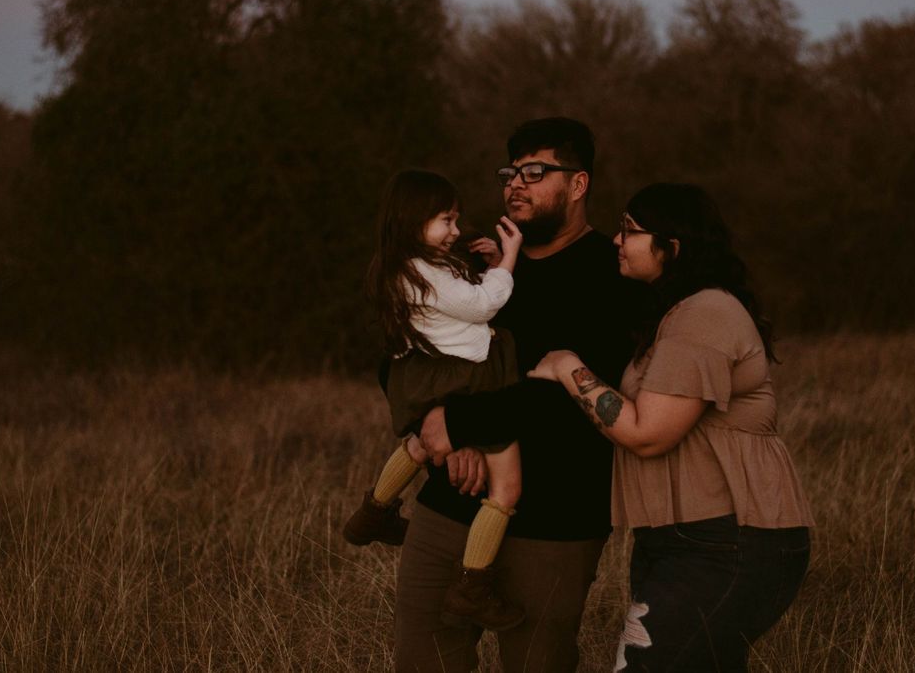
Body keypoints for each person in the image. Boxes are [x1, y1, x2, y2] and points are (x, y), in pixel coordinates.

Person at [528, 183, 814, 672]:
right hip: (690, 539)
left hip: (728, 541)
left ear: (673, 247)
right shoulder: (677, 314)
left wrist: (567, 367)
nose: (617, 240)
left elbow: (648, 432)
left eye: (630, 230)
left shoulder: (705, 314)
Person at [398, 118, 649, 672]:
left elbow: (566, 402)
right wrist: (439, 431)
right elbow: (400, 349)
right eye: (511, 171)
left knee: (537, 663)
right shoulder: (471, 265)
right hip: (449, 502)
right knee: (423, 659)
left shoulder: (610, 276)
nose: (516, 183)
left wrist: (461, 421)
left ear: (578, 184)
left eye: (536, 172)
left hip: (555, 516)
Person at [341, 168, 528, 629]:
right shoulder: (421, 272)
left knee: (422, 445)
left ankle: (375, 512)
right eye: (446, 220)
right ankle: (473, 586)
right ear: (412, 219)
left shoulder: (406, 267)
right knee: (507, 488)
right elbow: (481, 305)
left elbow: (456, 299)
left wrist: (480, 260)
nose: (456, 230)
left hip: (428, 374)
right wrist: (508, 261)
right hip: (459, 377)